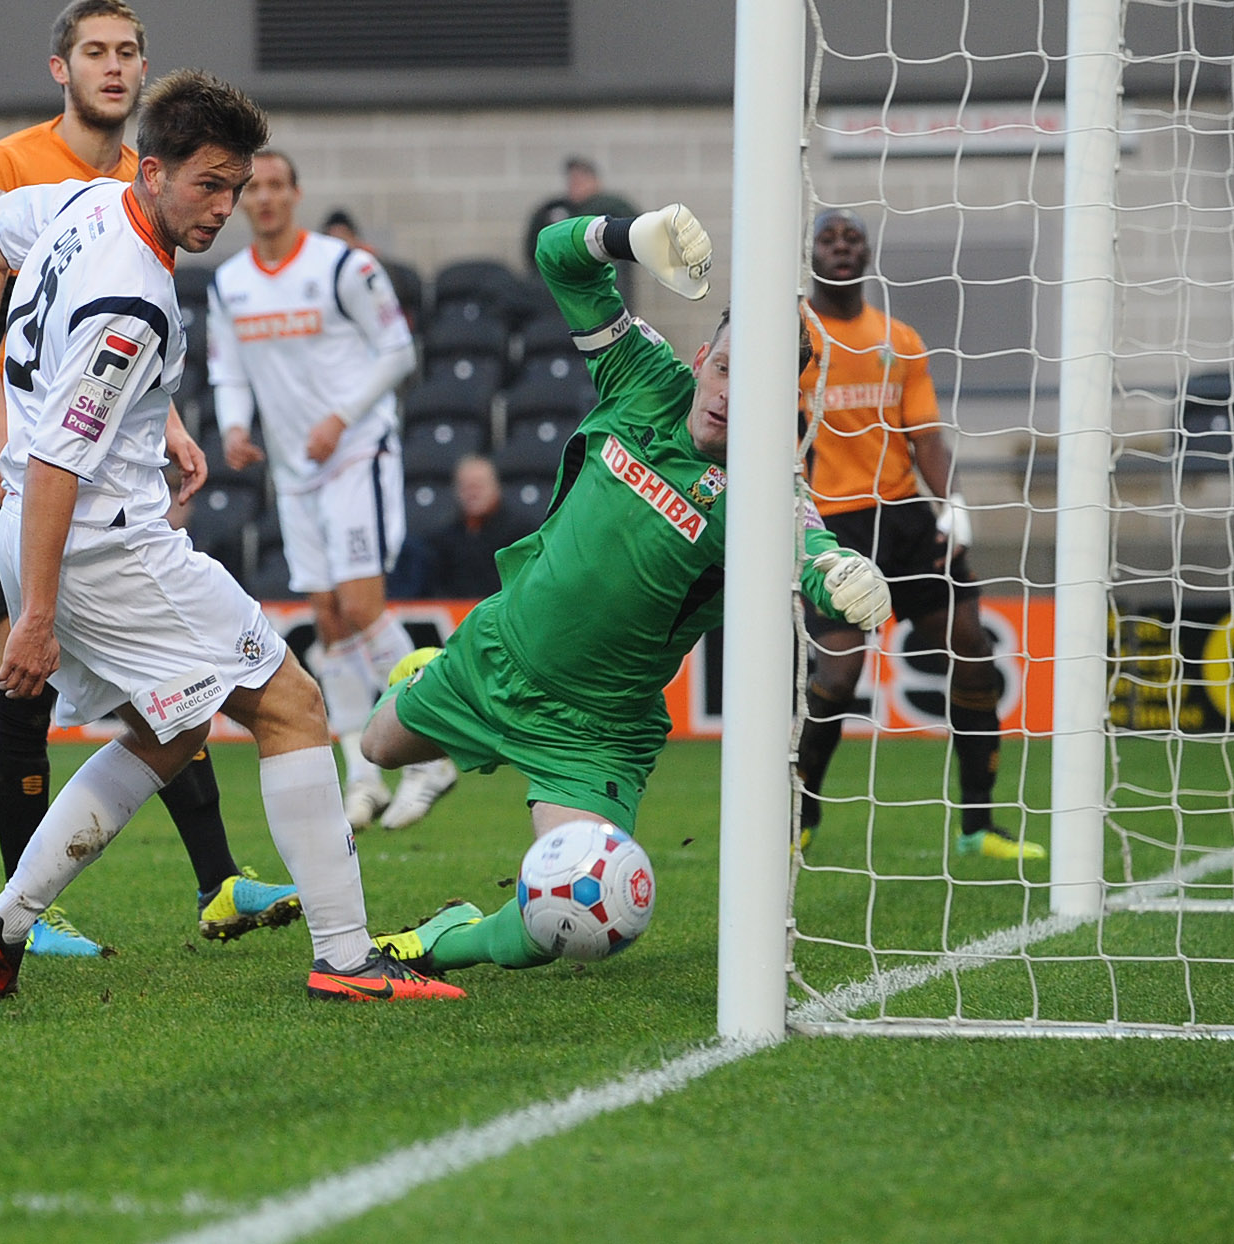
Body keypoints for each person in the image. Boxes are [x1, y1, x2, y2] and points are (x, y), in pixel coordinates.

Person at [0, 68, 460, 1003]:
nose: (225, 207)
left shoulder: (82, 200)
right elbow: (64, 461)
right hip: (97, 543)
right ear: (152, 172)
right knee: (293, 705)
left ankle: (4, 924)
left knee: (176, 728)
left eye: (236, 187)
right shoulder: (133, 302)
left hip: (43, 524)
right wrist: (36, 618)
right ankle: (348, 959)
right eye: (209, 185)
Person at [363, 205, 893, 977]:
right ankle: (424, 673)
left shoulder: (762, 491)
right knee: (377, 747)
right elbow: (556, 256)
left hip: (594, 730)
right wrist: (627, 237)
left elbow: (810, 549)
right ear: (705, 355)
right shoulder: (643, 377)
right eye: (724, 368)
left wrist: (843, 574)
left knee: (568, 921)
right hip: (496, 652)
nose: (728, 393)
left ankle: (440, 941)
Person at [0, 0, 296, 959]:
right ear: (62, 68)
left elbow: (115, 346)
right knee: (28, 681)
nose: (114, 66)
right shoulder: (8, 165)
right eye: (95, 51)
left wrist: (168, 423)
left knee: (169, 692)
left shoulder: (142, 178)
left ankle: (214, 882)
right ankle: (24, 915)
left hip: (62, 460)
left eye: (129, 50)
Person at [208, 152, 459, 834]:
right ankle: (364, 776)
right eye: (253, 188)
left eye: (275, 186)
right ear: (240, 198)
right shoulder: (229, 284)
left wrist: (341, 419)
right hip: (294, 470)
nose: (264, 198)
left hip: (356, 452)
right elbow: (228, 369)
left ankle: (432, 753)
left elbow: (399, 351)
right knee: (327, 616)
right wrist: (234, 427)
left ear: (297, 194)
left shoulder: (344, 267)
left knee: (360, 604)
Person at [794, 207, 1042, 861]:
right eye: (828, 239)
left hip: (906, 516)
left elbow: (925, 437)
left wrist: (952, 506)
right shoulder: (794, 336)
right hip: (832, 526)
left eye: (852, 239)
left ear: (867, 254)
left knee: (971, 649)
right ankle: (800, 816)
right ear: (811, 255)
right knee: (839, 674)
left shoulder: (899, 339)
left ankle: (979, 826)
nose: (841, 248)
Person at [391, 455, 527, 599]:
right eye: (467, 487)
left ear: (496, 488)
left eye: (479, 486)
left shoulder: (521, 535)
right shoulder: (441, 541)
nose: (473, 493)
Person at [521, 157, 635, 274]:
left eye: (582, 179)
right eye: (573, 180)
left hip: (604, 272)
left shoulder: (613, 206)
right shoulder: (554, 208)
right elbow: (534, 246)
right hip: (561, 274)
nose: (576, 184)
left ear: (595, 181)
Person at [319, 206, 422, 331]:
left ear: (355, 240)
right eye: (333, 241)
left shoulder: (374, 268)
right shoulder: (317, 276)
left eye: (343, 238)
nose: (339, 247)